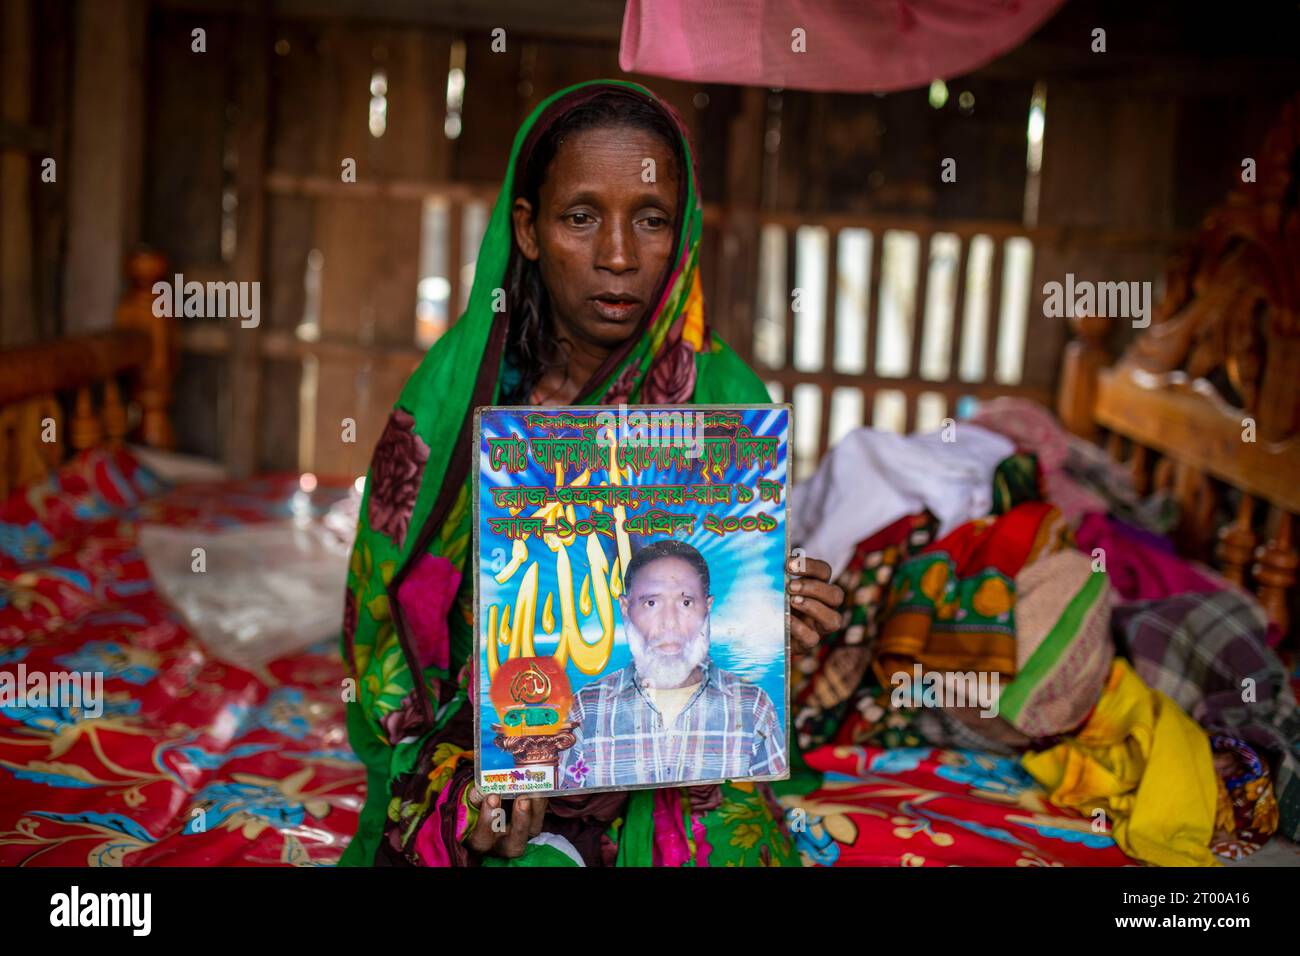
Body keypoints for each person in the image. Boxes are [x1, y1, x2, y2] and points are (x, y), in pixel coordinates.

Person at [342, 78, 844, 867]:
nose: (617, 256)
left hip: (678, 745)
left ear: (681, 237)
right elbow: (388, 618)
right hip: (493, 734)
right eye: (580, 217)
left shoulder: (725, 401)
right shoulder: (457, 395)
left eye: (650, 220)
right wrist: (470, 760)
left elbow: (731, 620)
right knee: (483, 837)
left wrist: (781, 609)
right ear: (529, 229)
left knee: (725, 843)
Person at [558, 540, 787, 790]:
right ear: (626, 609)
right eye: (652, 603)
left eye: (686, 602)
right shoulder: (584, 710)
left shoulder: (752, 706)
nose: (670, 623)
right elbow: (567, 811)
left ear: (707, 608)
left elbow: (770, 809)